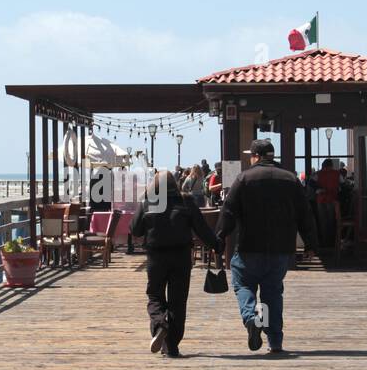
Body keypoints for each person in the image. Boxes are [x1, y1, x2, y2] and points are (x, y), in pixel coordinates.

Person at [215, 139, 318, 354]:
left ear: (255, 156)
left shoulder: (244, 178)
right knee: (272, 293)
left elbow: (229, 211)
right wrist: (310, 243)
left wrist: (219, 237)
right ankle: (275, 341)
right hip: (281, 249)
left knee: (243, 285)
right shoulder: (290, 179)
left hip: (248, 247)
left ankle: (252, 318)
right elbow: (305, 214)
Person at [130, 170, 222, 357]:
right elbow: (201, 228)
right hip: (181, 256)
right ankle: (171, 346)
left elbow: (135, 230)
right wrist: (217, 245)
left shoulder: (149, 201)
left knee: (155, 296)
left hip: (156, 257)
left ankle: (159, 325)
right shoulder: (186, 201)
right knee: (178, 301)